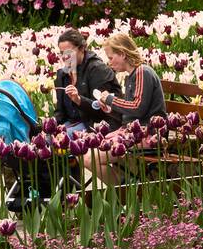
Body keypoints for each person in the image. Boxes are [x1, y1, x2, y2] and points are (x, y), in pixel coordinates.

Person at [85, 33, 167, 185]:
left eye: (110, 57)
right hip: (131, 132)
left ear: (122, 54)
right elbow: (132, 108)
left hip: (147, 134)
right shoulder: (132, 76)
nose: (109, 63)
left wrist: (110, 99)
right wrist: (110, 108)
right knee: (85, 150)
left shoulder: (142, 72)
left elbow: (138, 108)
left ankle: (121, 195)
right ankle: (122, 190)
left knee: (90, 157)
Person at [52, 28, 118, 134]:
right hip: (72, 123)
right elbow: (60, 112)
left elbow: (102, 110)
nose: (65, 57)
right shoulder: (62, 74)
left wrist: (78, 99)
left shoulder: (98, 69)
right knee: (46, 137)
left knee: (63, 137)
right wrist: (50, 126)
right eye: (62, 53)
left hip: (95, 123)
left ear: (82, 48)